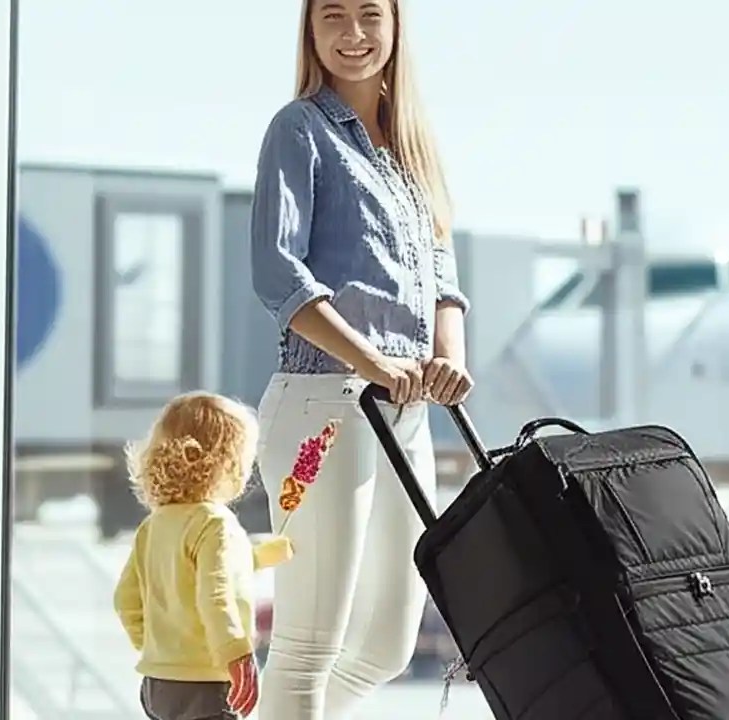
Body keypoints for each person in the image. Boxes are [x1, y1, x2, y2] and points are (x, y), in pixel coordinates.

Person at [248, 0, 473, 717]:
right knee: (308, 645)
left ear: (396, 26)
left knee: (386, 643)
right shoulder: (299, 132)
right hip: (323, 406)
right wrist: (374, 359)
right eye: (332, 17)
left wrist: (448, 360)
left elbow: (444, 279)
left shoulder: (412, 152)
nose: (351, 35)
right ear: (310, 31)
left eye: (369, 15)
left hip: (405, 412)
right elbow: (278, 275)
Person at [113, 391, 291, 719]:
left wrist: (158, 648)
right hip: (205, 684)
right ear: (216, 461)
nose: (244, 473)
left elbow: (126, 600)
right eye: (241, 461)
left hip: (158, 683)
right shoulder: (215, 523)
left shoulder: (154, 526)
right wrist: (236, 654)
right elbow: (216, 594)